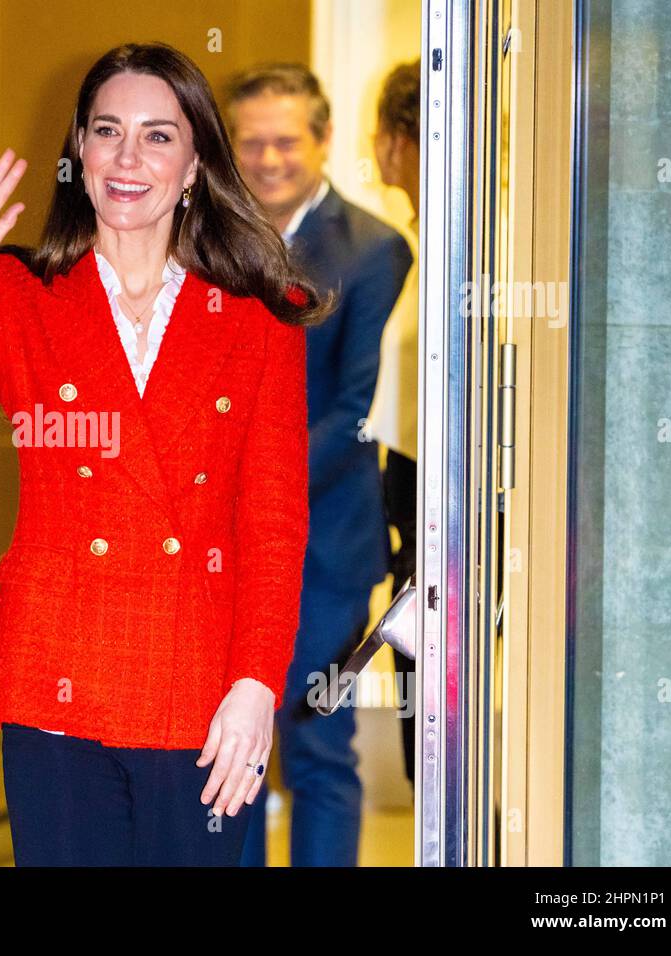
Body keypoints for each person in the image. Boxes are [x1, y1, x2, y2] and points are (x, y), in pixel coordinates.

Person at [0, 41, 328, 866]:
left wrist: (256, 685)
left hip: (198, 688)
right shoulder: (18, 295)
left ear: (195, 164)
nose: (128, 157)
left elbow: (273, 522)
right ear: (77, 152)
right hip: (56, 682)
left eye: (159, 136)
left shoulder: (261, 314)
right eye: (107, 131)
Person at [225, 64, 413, 867]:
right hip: (213, 543)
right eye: (251, 143)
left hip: (322, 547)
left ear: (324, 140)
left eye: (285, 141)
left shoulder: (374, 251)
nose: (267, 160)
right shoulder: (205, 238)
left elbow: (356, 409)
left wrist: (251, 491)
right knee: (220, 751)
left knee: (315, 748)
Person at [368, 59, 421, 785]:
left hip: (445, 494)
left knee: (436, 724)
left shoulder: (468, 240)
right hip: (406, 489)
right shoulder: (415, 239)